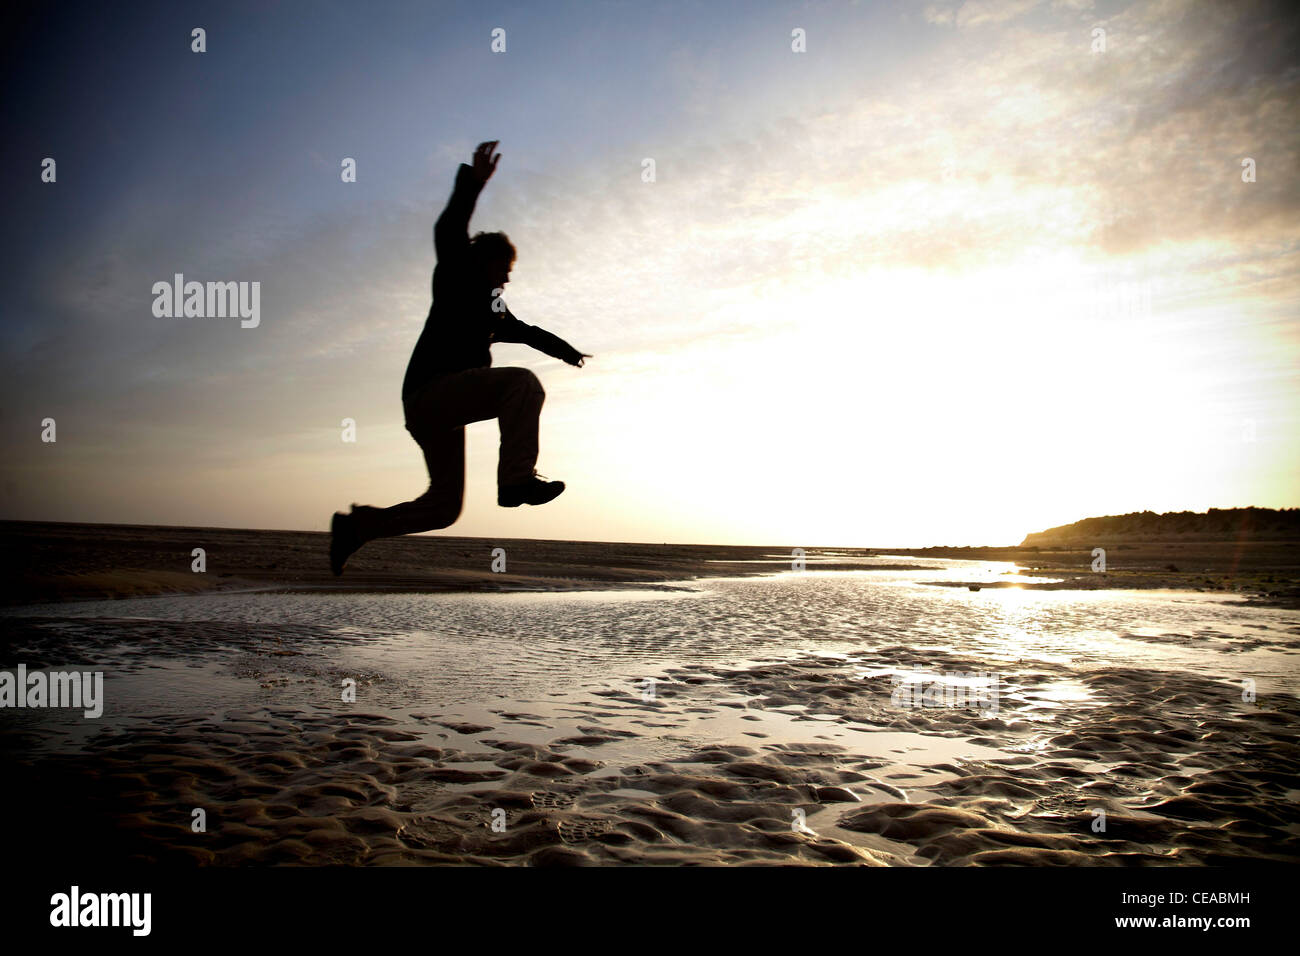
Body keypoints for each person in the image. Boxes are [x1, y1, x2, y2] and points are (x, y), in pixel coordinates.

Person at [330, 141, 589, 575]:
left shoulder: (493, 309)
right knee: (522, 384)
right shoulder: (455, 272)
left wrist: (566, 351)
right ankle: (516, 482)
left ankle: (356, 529)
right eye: (504, 266)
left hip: (439, 412)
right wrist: (472, 184)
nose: (508, 276)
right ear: (482, 259)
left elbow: (526, 332)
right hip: (432, 393)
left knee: (444, 508)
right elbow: (449, 227)